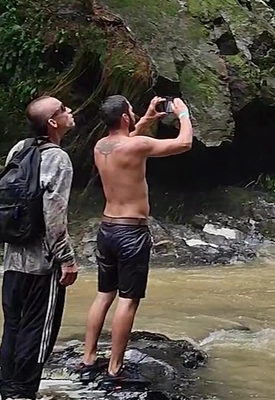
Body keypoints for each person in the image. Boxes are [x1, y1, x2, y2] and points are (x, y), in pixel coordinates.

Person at [75, 95, 192, 384]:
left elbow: (125, 139)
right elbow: (184, 143)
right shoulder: (137, 146)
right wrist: (183, 114)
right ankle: (115, 367)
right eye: (132, 110)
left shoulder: (101, 146)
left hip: (107, 230)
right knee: (128, 301)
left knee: (104, 295)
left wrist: (148, 119)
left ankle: (88, 359)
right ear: (125, 117)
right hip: (131, 232)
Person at [0, 96, 79, 400]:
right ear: (53, 122)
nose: (70, 111)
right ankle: (23, 393)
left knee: (13, 328)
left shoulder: (18, 150)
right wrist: (67, 259)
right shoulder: (58, 158)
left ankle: (8, 391)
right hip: (42, 264)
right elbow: (54, 213)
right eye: (64, 110)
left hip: (12, 259)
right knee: (38, 333)